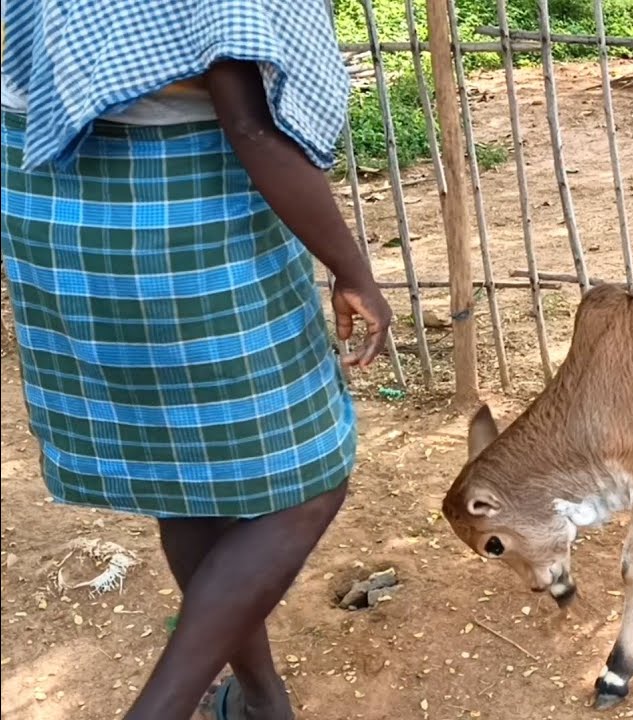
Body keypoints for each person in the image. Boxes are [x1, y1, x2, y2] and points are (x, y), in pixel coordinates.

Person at [1, 1, 392, 718]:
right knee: (311, 480)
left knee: (191, 483)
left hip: (58, 206)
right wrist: (354, 271)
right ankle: (162, 708)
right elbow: (247, 120)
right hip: (180, 213)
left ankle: (260, 699)